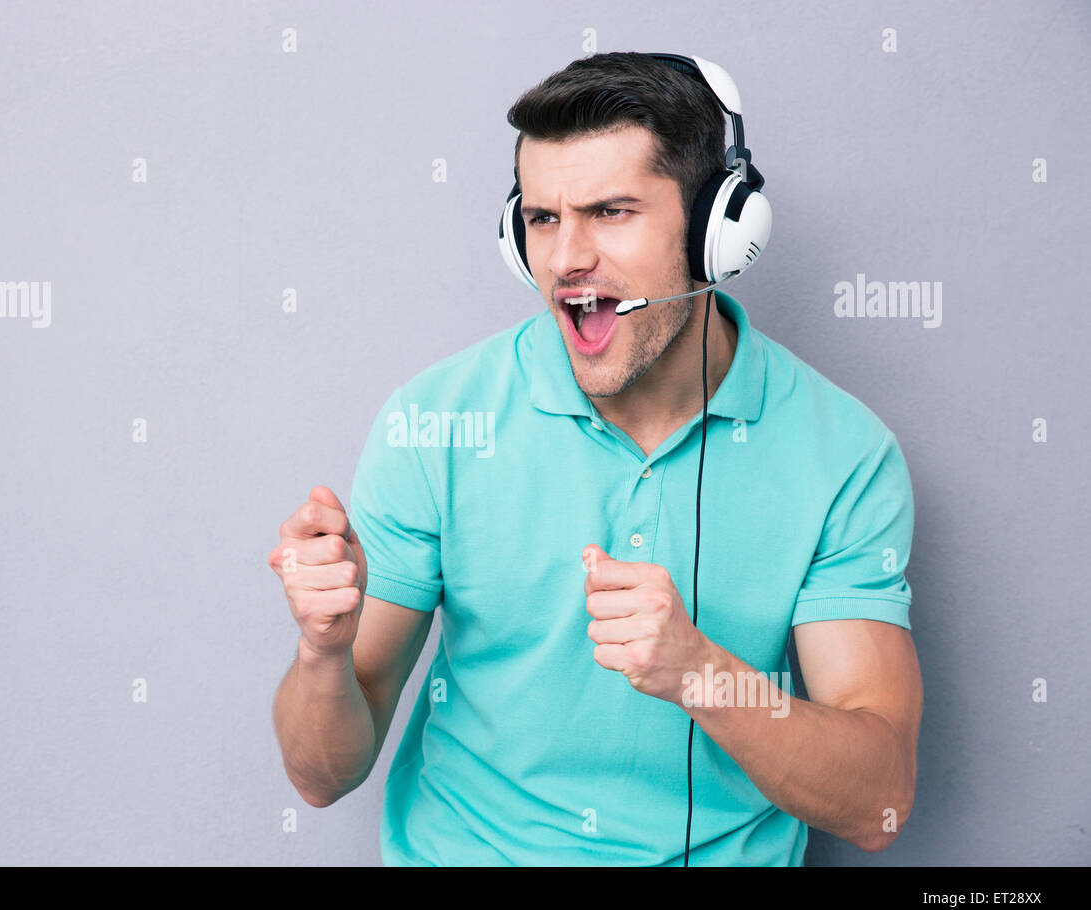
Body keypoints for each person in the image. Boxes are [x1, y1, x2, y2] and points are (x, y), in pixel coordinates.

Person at [269, 51, 923, 866]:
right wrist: (322, 655)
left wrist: (698, 673)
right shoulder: (436, 423)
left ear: (715, 230)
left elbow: (880, 803)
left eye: (610, 212)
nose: (566, 258)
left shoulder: (844, 455)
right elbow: (321, 777)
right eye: (542, 218)